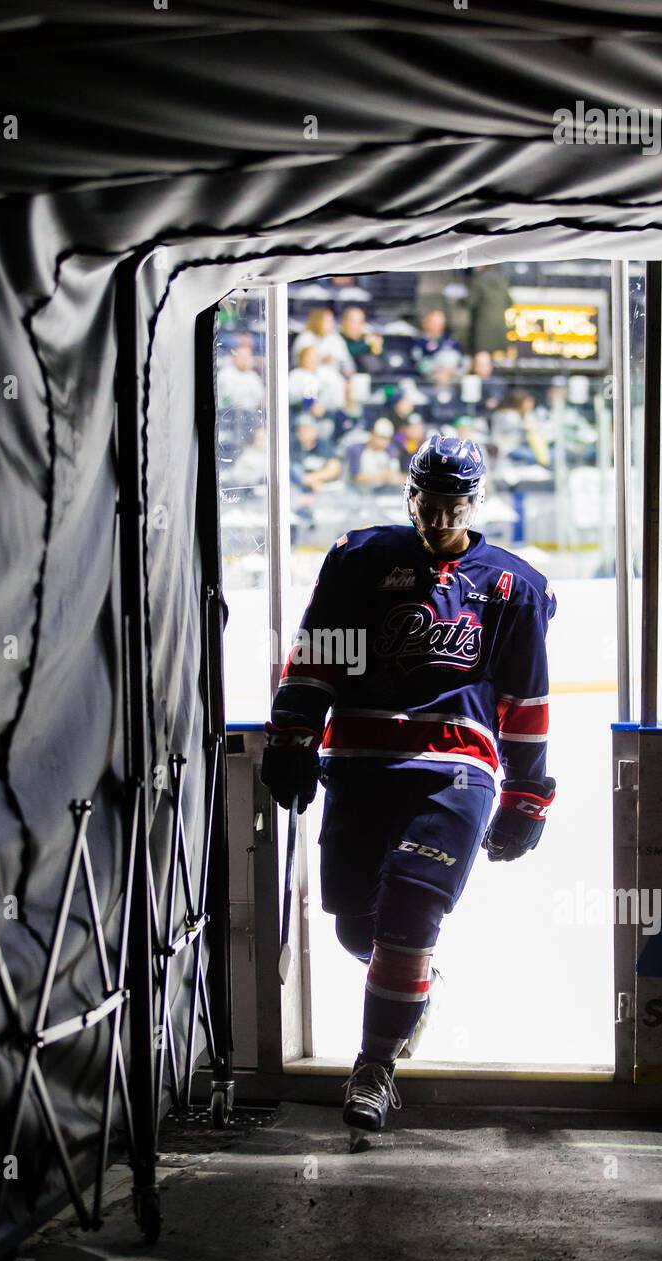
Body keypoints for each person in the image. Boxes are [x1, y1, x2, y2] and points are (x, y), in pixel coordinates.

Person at [260, 434, 557, 1137]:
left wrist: (527, 792)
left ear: (478, 501)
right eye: (427, 500)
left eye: (453, 502)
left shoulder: (513, 585)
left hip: (458, 768)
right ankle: (409, 982)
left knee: (411, 916)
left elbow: (527, 701)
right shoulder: (360, 559)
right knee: (352, 920)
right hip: (362, 759)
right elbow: (319, 655)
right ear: (409, 496)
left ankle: (373, 1067)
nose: (438, 514)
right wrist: (293, 735)